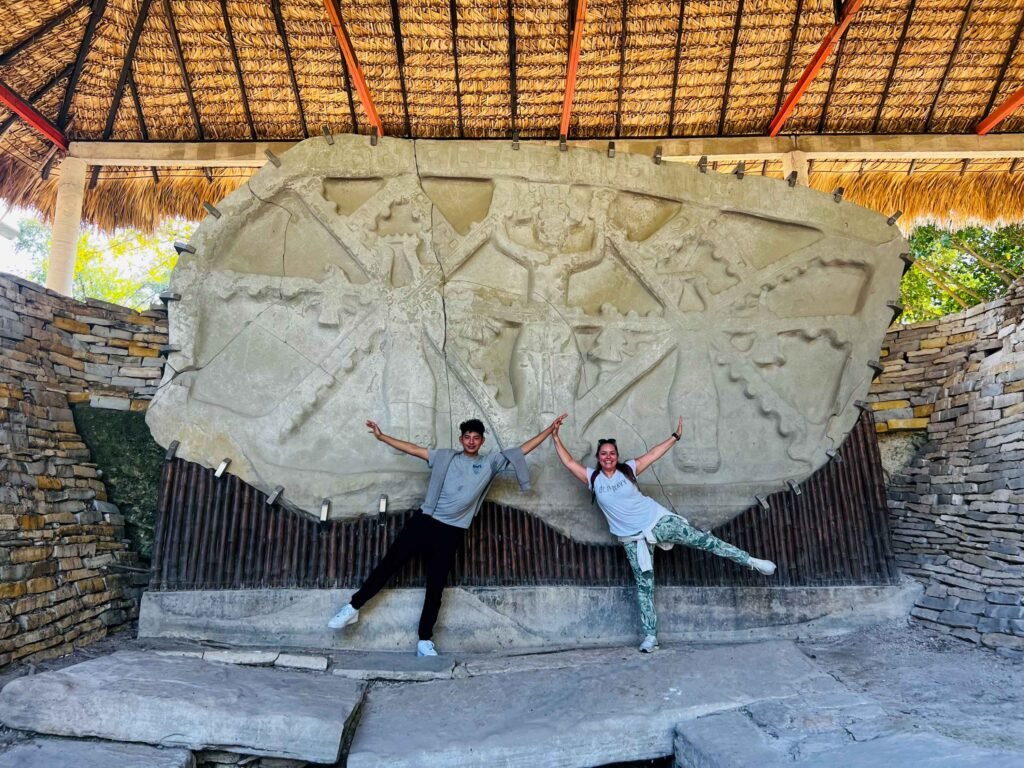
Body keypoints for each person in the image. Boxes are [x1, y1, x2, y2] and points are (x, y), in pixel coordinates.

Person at [327, 414, 566, 656]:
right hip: (424, 521)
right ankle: (352, 608)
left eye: (476, 438)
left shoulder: (489, 463)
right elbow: (412, 449)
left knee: (436, 586)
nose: (471, 441)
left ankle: (424, 641)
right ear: (461, 439)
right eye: (467, 437)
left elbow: (521, 450)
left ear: (482, 441)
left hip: (451, 531)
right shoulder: (445, 457)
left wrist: (549, 430)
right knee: (388, 566)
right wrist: (381, 436)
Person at [551, 416, 777, 653]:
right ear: (598, 458)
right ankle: (650, 637)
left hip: (657, 521)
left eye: (612, 453)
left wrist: (674, 437)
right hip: (633, 540)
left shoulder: (628, 469)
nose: (608, 457)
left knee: (703, 540)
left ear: (616, 457)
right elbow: (568, 462)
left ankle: (751, 561)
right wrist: (556, 437)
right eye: (604, 453)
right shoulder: (592, 478)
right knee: (644, 586)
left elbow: (653, 454)